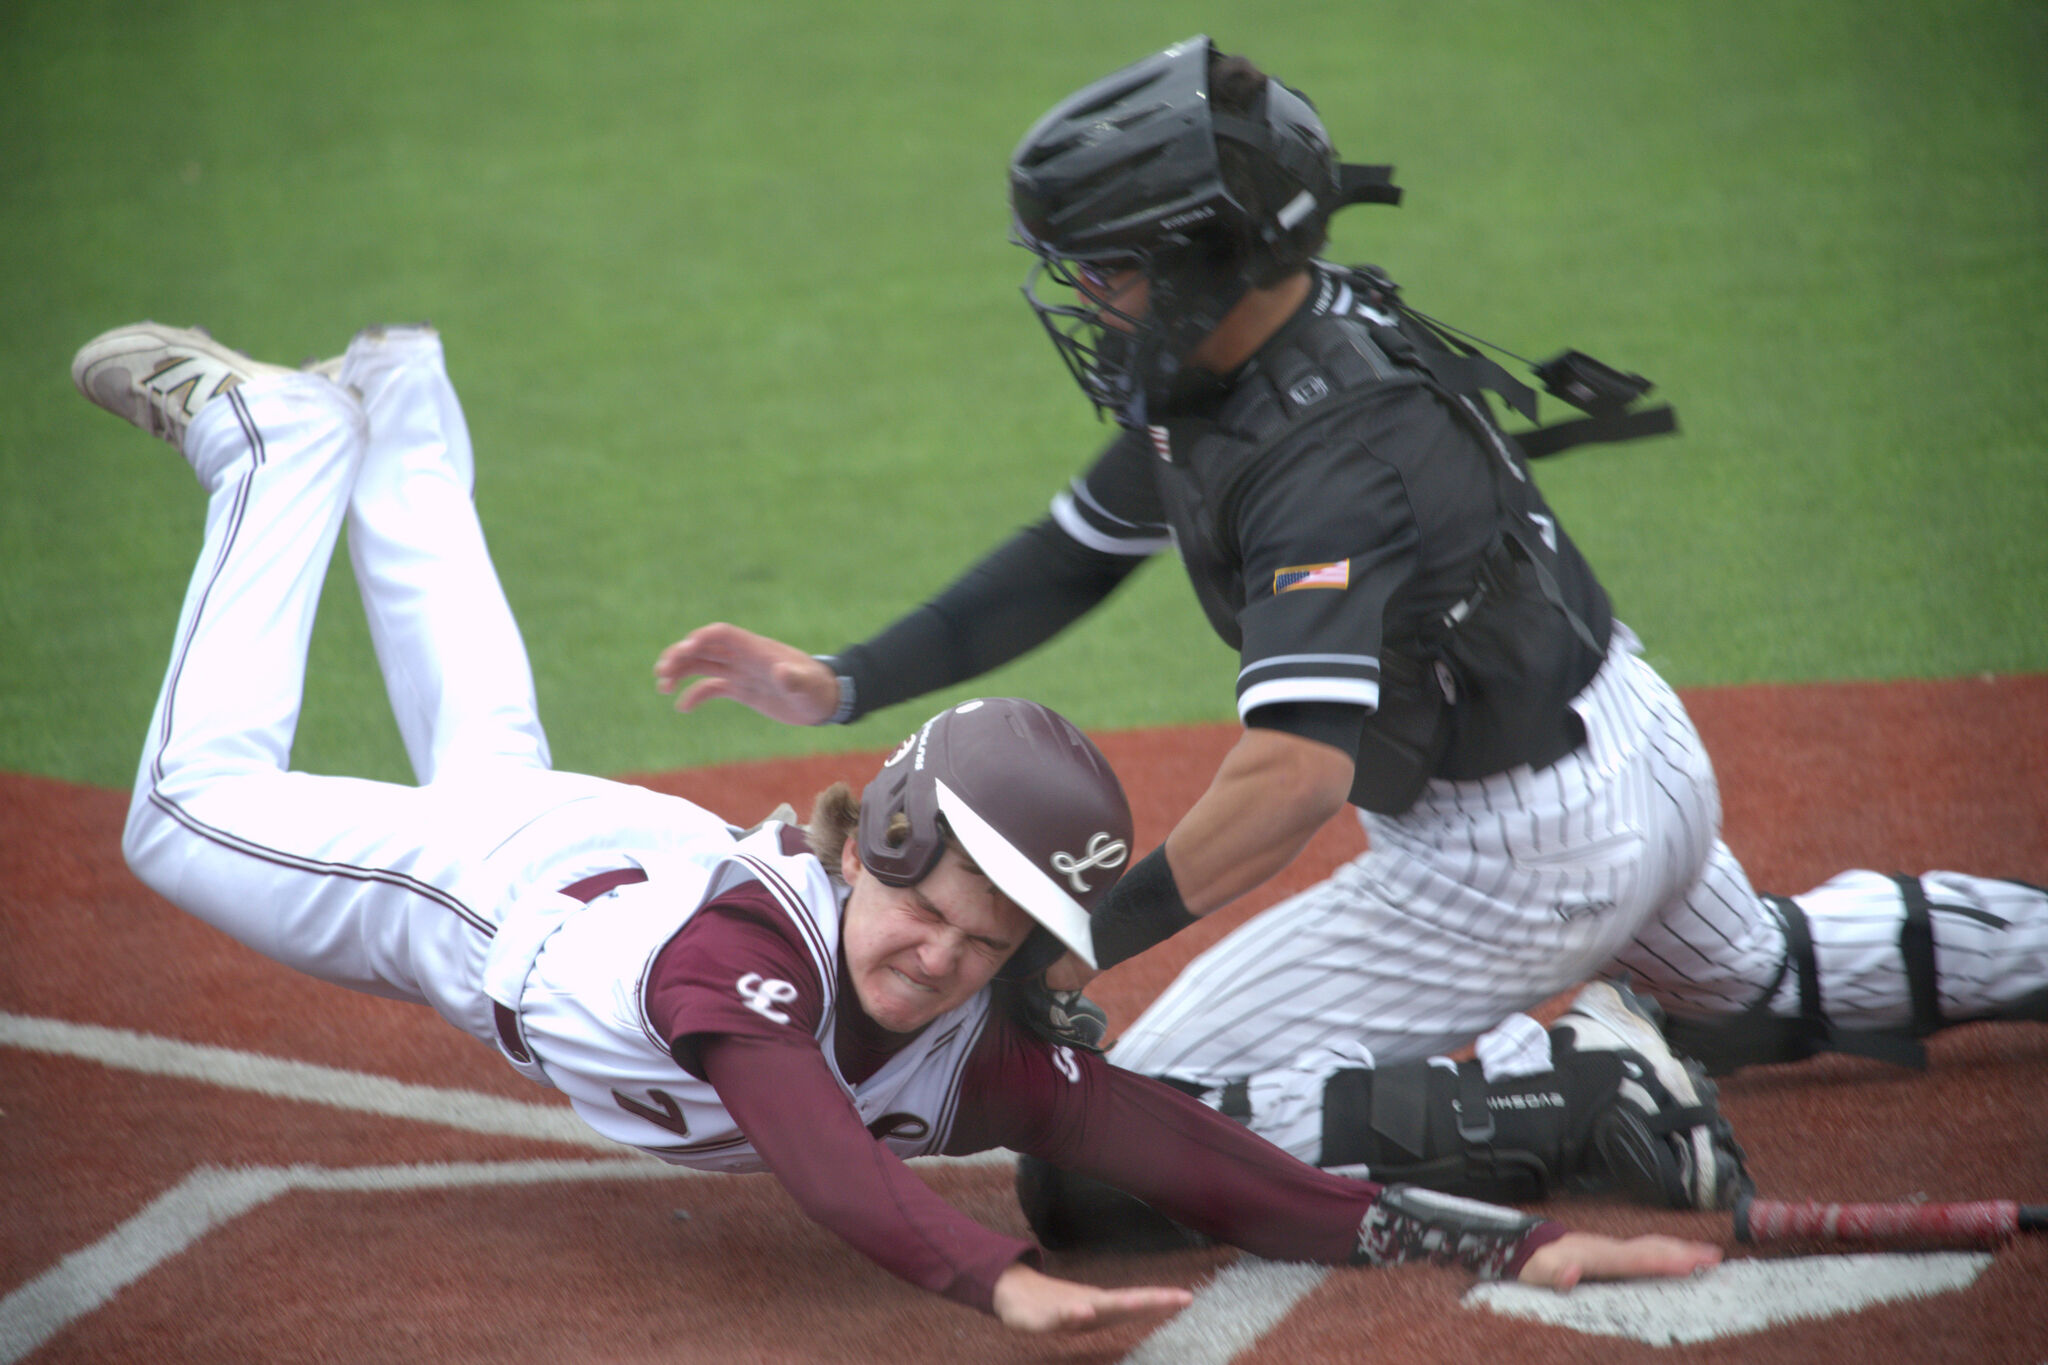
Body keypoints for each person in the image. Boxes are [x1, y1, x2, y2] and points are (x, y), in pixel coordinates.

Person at [654, 36, 2048, 1241]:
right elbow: (1078, 551)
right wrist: (845, 677)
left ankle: (1576, 1087)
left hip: (1517, 852)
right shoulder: (1252, 348)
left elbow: (1292, 778)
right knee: (1760, 981)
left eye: (1114, 267)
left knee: (1111, 1155)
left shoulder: (1327, 456)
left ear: (1208, 257)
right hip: (1629, 749)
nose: (1091, 294)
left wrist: (1072, 945)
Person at [72, 320, 1721, 1334]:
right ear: (875, 841)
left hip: (588, 841)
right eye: (936, 905)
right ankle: (277, 448)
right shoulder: (740, 965)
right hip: (466, 903)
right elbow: (821, 1157)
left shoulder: (970, 1030)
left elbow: (1204, 1159)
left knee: (491, 750)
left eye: (994, 940)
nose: (946, 958)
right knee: (180, 815)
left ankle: (403, 410)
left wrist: (1529, 1240)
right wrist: (987, 1275)